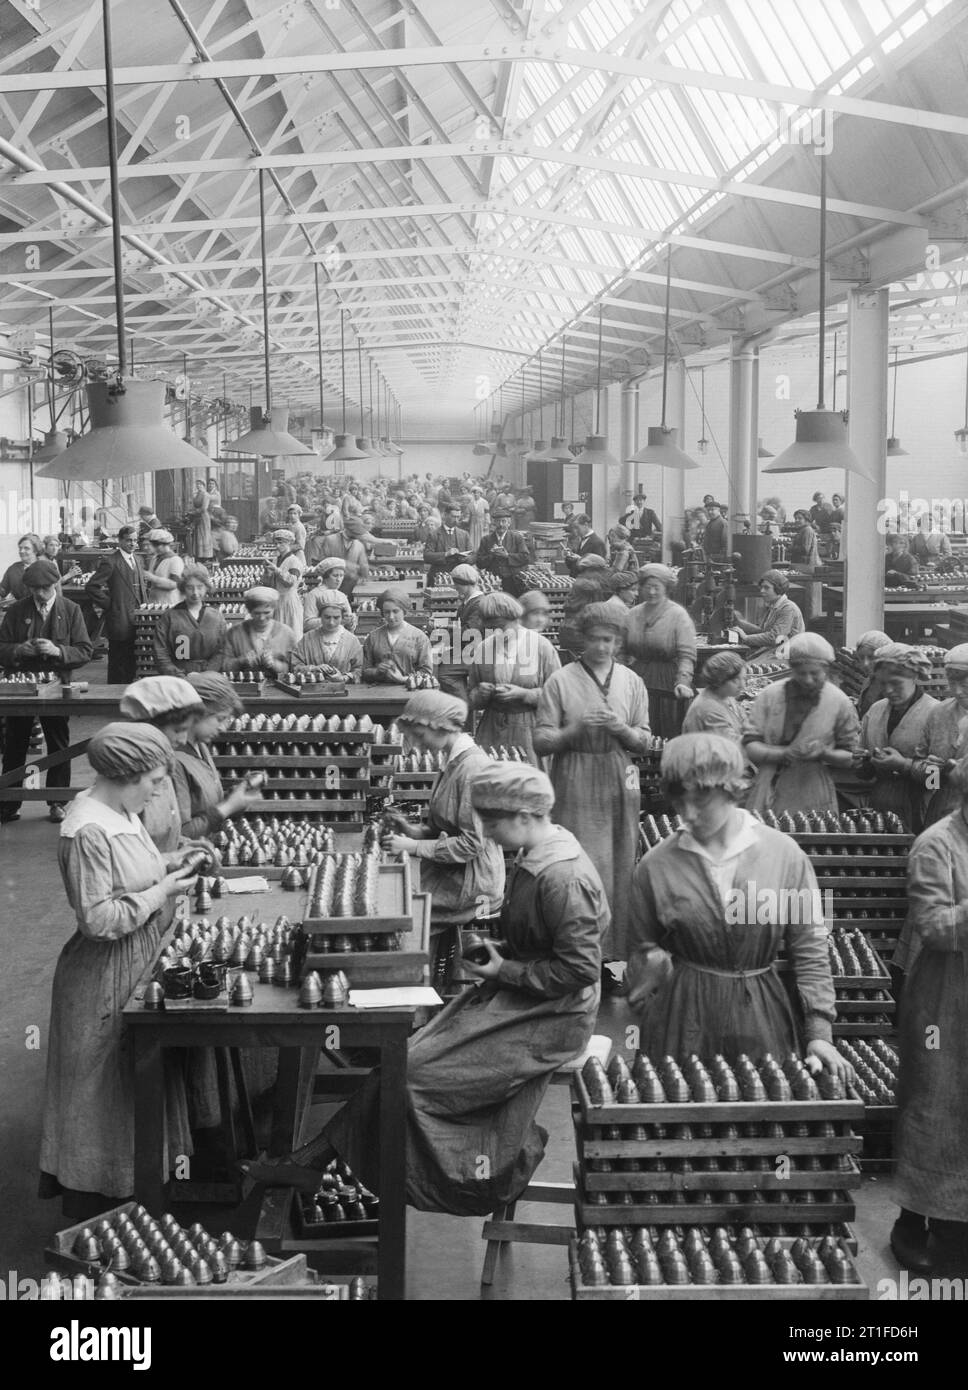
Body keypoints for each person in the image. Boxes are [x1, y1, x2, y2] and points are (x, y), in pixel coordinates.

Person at [318, 763, 601, 1215]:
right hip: (522, 997)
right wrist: (503, 951)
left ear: (526, 817)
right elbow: (542, 942)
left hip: (554, 1017)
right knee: (400, 1060)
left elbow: (580, 971)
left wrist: (506, 969)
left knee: (411, 1077)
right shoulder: (535, 855)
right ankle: (312, 1162)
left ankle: (486, 1172)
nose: (484, 833)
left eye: (491, 823)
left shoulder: (563, 878)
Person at [38, 722, 196, 1213]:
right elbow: (100, 918)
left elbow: (131, 870)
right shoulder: (87, 829)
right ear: (126, 775)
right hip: (105, 972)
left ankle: (144, 1188)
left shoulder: (121, 812)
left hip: (139, 955)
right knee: (104, 1089)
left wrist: (172, 861)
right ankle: (101, 1202)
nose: (156, 792)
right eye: (152, 781)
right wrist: (162, 892)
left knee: (135, 1082)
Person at [626, 733, 847, 1072]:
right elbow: (641, 949)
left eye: (701, 799)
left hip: (760, 1014)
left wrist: (819, 1031)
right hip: (682, 1019)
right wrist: (652, 1002)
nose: (689, 813)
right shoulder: (654, 867)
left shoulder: (788, 856)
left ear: (732, 788)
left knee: (758, 1108)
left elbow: (813, 944)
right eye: (679, 801)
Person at [533, 603, 651, 973]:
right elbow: (540, 740)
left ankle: (613, 955)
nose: (603, 647)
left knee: (620, 862)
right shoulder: (561, 681)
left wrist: (621, 729)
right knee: (578, 863)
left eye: (611, 640)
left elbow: (644, 741)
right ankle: (576, 952)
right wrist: (573, 731)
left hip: (619, 775)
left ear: (619, 643)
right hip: (575, 773)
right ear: (583, 639)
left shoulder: (632, 682)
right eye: (597, 639)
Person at [890, 756, 968, 1272]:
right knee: (938, 1105)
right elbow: (936, 927)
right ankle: (919, 1221)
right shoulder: (936, 844)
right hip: (948, 996)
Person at [381, 691, 505, 989]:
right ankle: (433, 986)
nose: (418, 741)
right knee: (401, 904)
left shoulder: (471, 768)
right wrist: (414, 831)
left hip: (474, 883)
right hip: (452, 874)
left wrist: (413, 848)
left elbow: (471, 844)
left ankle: (417, 1001)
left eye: (420, 733)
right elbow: (447, 829)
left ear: (440, 727)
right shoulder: (451, 761)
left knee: (403, 918)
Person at [0, 559, 92, 825]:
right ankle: (9, 802)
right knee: (16, 744)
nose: (38, 593)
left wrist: (58, 651)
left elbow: (85, 650)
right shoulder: (18, 611)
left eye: (43, 588)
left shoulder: (71, 610)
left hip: (57, 687)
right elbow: (1, 646)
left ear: (54, 584)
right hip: (22, 687)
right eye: (33, 589)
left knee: (58, 744)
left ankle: (58, 801)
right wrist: (19, 650)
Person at [743, 631, 860, 817]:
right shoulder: (770, 695)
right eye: (801, 673)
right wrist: (781, 753)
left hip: (812, 789)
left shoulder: (838, 702)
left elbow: (852, 756)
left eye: (814, 673)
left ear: (826, 670)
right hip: (769, 786)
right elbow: (750, 745)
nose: (807, 680)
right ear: (791, 669)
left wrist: (824, 753)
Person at [118, 675, 209, 854]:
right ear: (150, 727)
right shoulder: (130, 780)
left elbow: (160, 835)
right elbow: (126, 855)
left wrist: (182, 844)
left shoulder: (162, 769)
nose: (183, 740)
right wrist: (169, 859)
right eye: (178, 730)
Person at [852, 643, 936, 832]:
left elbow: (937, 781)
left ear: (914, 677)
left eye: (896, 683)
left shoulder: (936, 714)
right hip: (880, 807)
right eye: (883, 684)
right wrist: (863, 763)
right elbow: (863, 771)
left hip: (921, 812)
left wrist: (904, 765)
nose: (889, 690)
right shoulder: (876, 711)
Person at [468, 593, 560, 763]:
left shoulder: (541, 647)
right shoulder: (484, 648)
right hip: (491, 731)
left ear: (515, 619)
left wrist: (525, 694)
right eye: (491, 628)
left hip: (529, 731)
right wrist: (480, 694)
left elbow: (558, 696)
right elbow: (471, 698)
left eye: (501, 626)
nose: (497, 632)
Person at [173, 673, 262, 839]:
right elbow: (180, 836)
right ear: (197, 714)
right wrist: (228, 807)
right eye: (220, 719)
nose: (223, 728)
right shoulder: (176, 762)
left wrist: (235, 796)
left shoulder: (201, 747)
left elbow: (203, 804)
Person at [624, 563, 697, 738]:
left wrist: (683, 682)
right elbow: (620, 650)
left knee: (665, 733)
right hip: (638, 680)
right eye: (647, 587)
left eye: (656, 587)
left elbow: (686, 654)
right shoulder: (632, 615)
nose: (651, 592)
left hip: (668, 685)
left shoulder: (678, 615)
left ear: (666, 589)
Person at [903, 643, 968, 830]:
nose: (957, 692)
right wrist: (933, 772)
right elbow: (930, 784)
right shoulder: (939, 714)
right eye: (952, 684)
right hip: (941, 814)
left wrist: (955, 768)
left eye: (965, 685)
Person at [85, 524, 150, 684]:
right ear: (120, 541)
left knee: (135, 659)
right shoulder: (111, 561)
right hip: (119, 618)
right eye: (129, 540)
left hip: (139, 619)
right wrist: (110, 604)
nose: (133, 544)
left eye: (135, 541)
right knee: (118, 661)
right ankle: (113, 696)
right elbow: (92, 586)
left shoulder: (138, 559)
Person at [152, 565, 227, 676]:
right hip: (178, 679)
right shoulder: (170, 617)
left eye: (200, 587)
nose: (195, 592)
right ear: (183, 588)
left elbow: (222, 651)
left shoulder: (216, 618)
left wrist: (206, 674)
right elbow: (160, 652)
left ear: (207, 588)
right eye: (190, 588)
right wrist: (179, 675)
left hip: (209, 678)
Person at [361, 588, 433, 684]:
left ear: (404, 611)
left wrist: (403, 679)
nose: (391, 617)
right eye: (387, 612)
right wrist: (376, 671)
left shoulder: (419, 637)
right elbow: (364, 671)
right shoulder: (373, 637)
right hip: (378, 692)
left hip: (410, 691)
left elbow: (427, 673)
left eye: (395, 611)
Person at [222, 586, 298, 675]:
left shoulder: (286, 633)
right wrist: (241, 662)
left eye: (267, 612)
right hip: (243, 687)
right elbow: (223, 665)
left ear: (274, 609)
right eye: (257, 613)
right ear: (249, 611)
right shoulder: (234, 633)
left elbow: (294, 667)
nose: (262, 618)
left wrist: (276, 665)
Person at [290, 589, 363, 679]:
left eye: (336, 618)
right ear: (320, 616)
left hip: (343, 690)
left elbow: (360, 670)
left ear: (342, 617)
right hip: (312, 690)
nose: (331, 622)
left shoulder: (351, 641)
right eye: (327, 617)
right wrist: (312, 669)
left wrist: (344, 677)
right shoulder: (307, 639)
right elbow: (295, 666)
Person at [731, 570, 805, 654]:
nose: (762, 591)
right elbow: (763, 632)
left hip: (786, 655)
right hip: (775, 650)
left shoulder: (788, 608)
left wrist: (746, 638)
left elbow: (776, 637)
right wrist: (739, 623)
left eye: (766, 588)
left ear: (778, 589)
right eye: (761, 587)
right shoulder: (774, 606)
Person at [681, 651, 748, 743]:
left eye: (744, 678)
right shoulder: (709, 710)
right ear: (720, 681)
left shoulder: (725, 695)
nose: (742, 685)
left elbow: (743, 722)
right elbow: (733, 745)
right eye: (735, 681)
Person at [476, 508, 530, 596]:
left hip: (513, 582)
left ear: (509, 523)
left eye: (503, 521)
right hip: (492, 583)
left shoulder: (517, 538)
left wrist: (507, 556)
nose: (501, 524)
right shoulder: (486, 540)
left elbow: (525, 558)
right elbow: (479, 563)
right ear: (494, 523)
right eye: (498, 521)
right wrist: (492, 555)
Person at [263, 530, 306, 639]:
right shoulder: (275, 560)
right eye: (276, 543)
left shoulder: (294, 561)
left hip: (289, 602)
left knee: (291, 634)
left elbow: (291, 581)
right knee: (278, 636)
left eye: (281, 543)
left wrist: (277, 571)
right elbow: (269, 584)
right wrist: (267, 573)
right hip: (277, 601)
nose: (277, 546)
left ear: (289, 543)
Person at [315, 516, 372, 598]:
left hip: (350, 586)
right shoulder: (330, 540)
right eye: (356, 532)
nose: (358, 535)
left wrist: (364, 576)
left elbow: (363, 565)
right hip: (331, 587)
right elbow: (322, 562)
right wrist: (345, 564)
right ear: (348, 530)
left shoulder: (359, 545)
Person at [423, 501, 472, 588]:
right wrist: (446, 554)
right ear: (445, 515)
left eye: (458, 517)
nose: (456, 520)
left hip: (459, 578)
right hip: (438, 577)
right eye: (453, 516)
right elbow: (427, 556)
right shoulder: (434, 534)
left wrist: (465, 559)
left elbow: (472, 555)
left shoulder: (464, 534)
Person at [852, 629, 892, 716]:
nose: (865, 664)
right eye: (862, 658)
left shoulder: (893, 685)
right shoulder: (869, 681)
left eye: (871, 657)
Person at [143, 528, 185, 607]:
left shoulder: (175, 560)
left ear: (161, 545)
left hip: (170, 603)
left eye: (153, 545)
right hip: (155, 603)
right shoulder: (155, 558)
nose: (152, 548)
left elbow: (174, 584)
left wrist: (152, 578)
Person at [0, 533, 43, 608]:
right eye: (20, 548)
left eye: (26, 548)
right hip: (20, 611)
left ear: (36, 550)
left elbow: (57, 594)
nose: (21, 551)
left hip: (42, 611)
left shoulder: (45, 567)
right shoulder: (13, 569)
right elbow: (3, 591)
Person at [452, 564, 486, 642]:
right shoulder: (467, 601)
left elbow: (469, 633)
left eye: (457, 584)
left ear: (465, 583)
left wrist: (444, 638)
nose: (455, 587)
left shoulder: (479, 604)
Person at [189, 480, 213, 564]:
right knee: (198, 536)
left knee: (204, 536)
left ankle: (206, 556)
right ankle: (198, 555)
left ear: (203, 485)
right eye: (197, 484)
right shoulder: (196, 495)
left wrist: (193, 512)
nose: (198, 486)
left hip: (203, 517)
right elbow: (193, 505)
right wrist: (191, 511)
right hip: (197, 517)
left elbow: (204, 508)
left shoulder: (206, 495)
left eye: (200, 484)